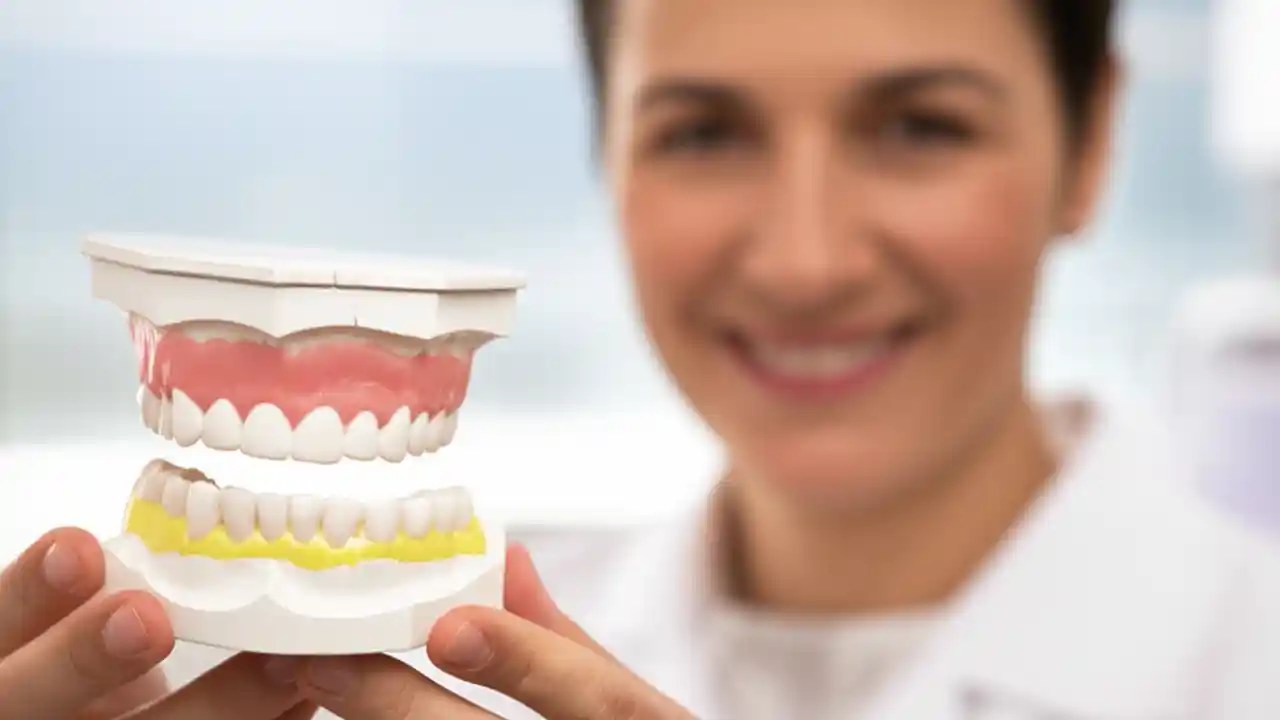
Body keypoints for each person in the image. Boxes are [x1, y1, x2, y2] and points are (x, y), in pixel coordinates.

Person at [3, 1, 1279, 718]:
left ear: (1094, 137)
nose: (802, 257)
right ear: (605, 154)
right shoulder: (334, 668)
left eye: (916, 126)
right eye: (703, 132)